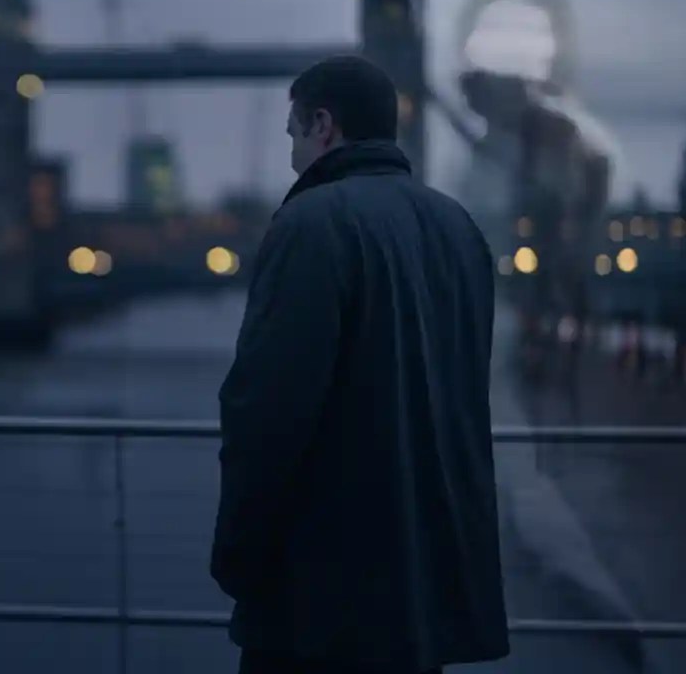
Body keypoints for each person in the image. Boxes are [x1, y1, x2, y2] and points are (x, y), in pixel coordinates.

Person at [211, 56, 510, 674]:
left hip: (321, 598)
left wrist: (237, 557)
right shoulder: (459, 229)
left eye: (293, 132)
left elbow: (266, 412)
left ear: (323, 124)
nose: (292, 152)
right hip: (425, 589)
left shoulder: (310, 224)